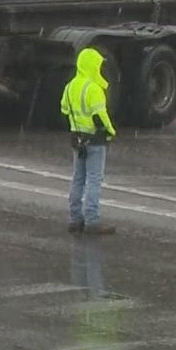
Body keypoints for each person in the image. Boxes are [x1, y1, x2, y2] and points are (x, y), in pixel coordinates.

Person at [62, 46, 117, 235]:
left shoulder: (70, 86)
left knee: (78, 178)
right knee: (94, 180)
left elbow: (64, 109)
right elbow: (99, 116)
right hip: (94, 140)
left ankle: (75, 218)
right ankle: (92, 220)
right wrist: (111, 131)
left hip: (77, 139)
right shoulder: (94, 89)